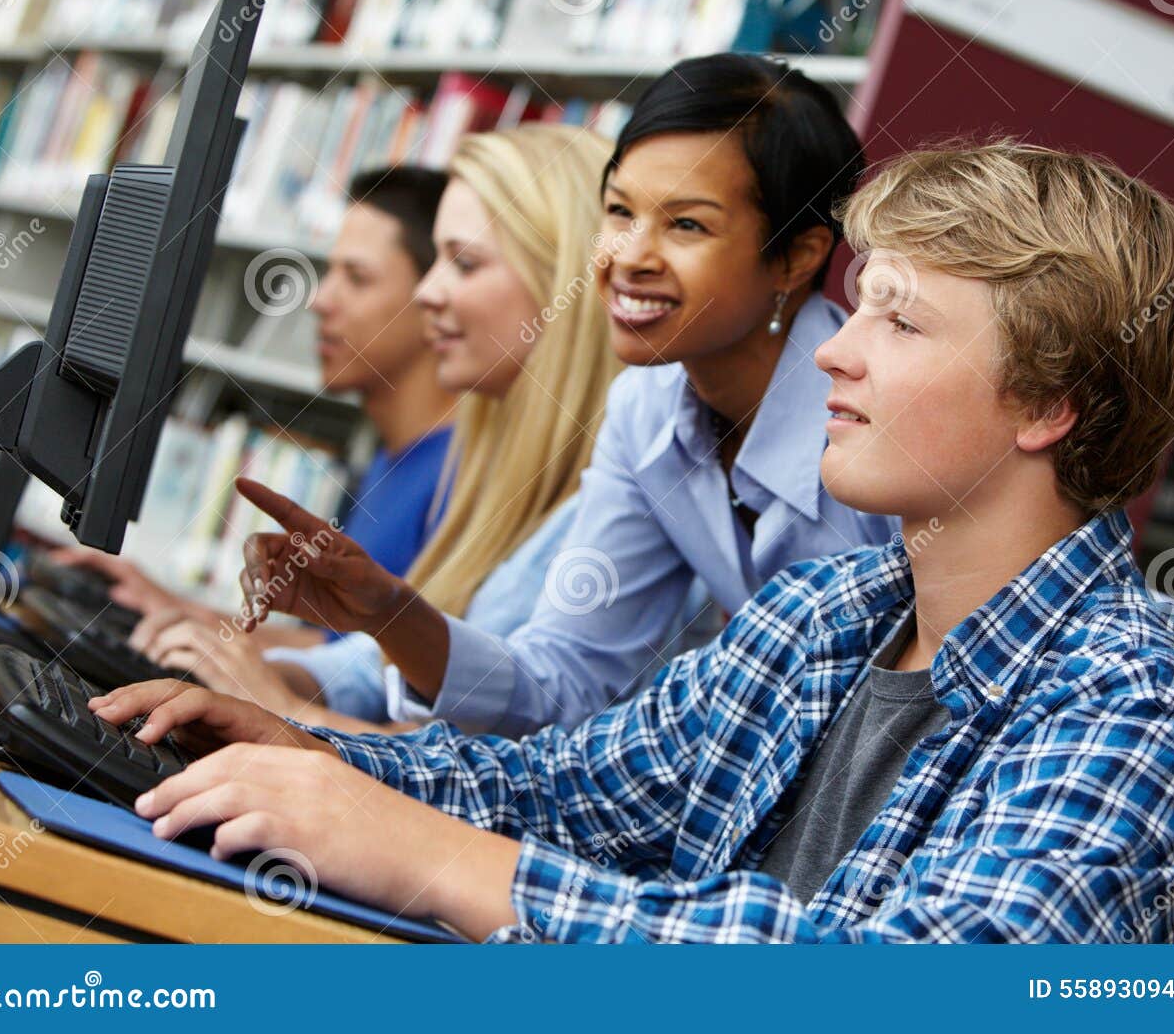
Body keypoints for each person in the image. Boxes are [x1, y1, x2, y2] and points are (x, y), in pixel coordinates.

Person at [92, 138, 1174, 943]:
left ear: (1049, 403)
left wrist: (448, 864)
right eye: (858, 303)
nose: (832, 349)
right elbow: (576, 788)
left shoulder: (1142, 702)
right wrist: (315, 757)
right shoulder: (831, 612)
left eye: (902, 322)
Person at [194, 53, 895, 736]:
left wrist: (303, 720)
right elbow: (566, 677)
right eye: (620, 211)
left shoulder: (877, 421)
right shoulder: (647, 409)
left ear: (798, 255)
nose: (629, 256)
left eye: (687, 224)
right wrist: (391, 612)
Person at [137, 126, 631, 730]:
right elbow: (387, 672)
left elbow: (493, 767)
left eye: (466, 262)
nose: (429, 293)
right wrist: (241, 671)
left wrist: (279, 706)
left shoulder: (602, 514)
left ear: (565, 287)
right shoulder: (492, 472)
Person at [54, 167, 459, 648]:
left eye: (357, 278)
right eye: (329, 273)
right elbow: (344, 652)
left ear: (435, 296)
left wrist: (193, 625)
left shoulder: (458, 479)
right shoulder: (393, 459)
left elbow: (389, 679)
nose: (320, 301)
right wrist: (179, 610)